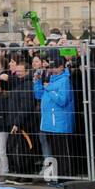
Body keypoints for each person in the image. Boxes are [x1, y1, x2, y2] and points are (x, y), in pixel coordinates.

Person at [33, 54, 76, 182]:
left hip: (60, 122)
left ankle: (65, 178)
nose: (51, 70)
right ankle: (58, 177)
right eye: (51, 67)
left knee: (62, 152)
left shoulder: (64, 80)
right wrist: (37, 83)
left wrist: (49, 88)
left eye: (54, 67)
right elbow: (39, 95)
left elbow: (62, 100)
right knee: (55, 152)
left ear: (61, 67)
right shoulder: (51, 79)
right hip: (50, 121)